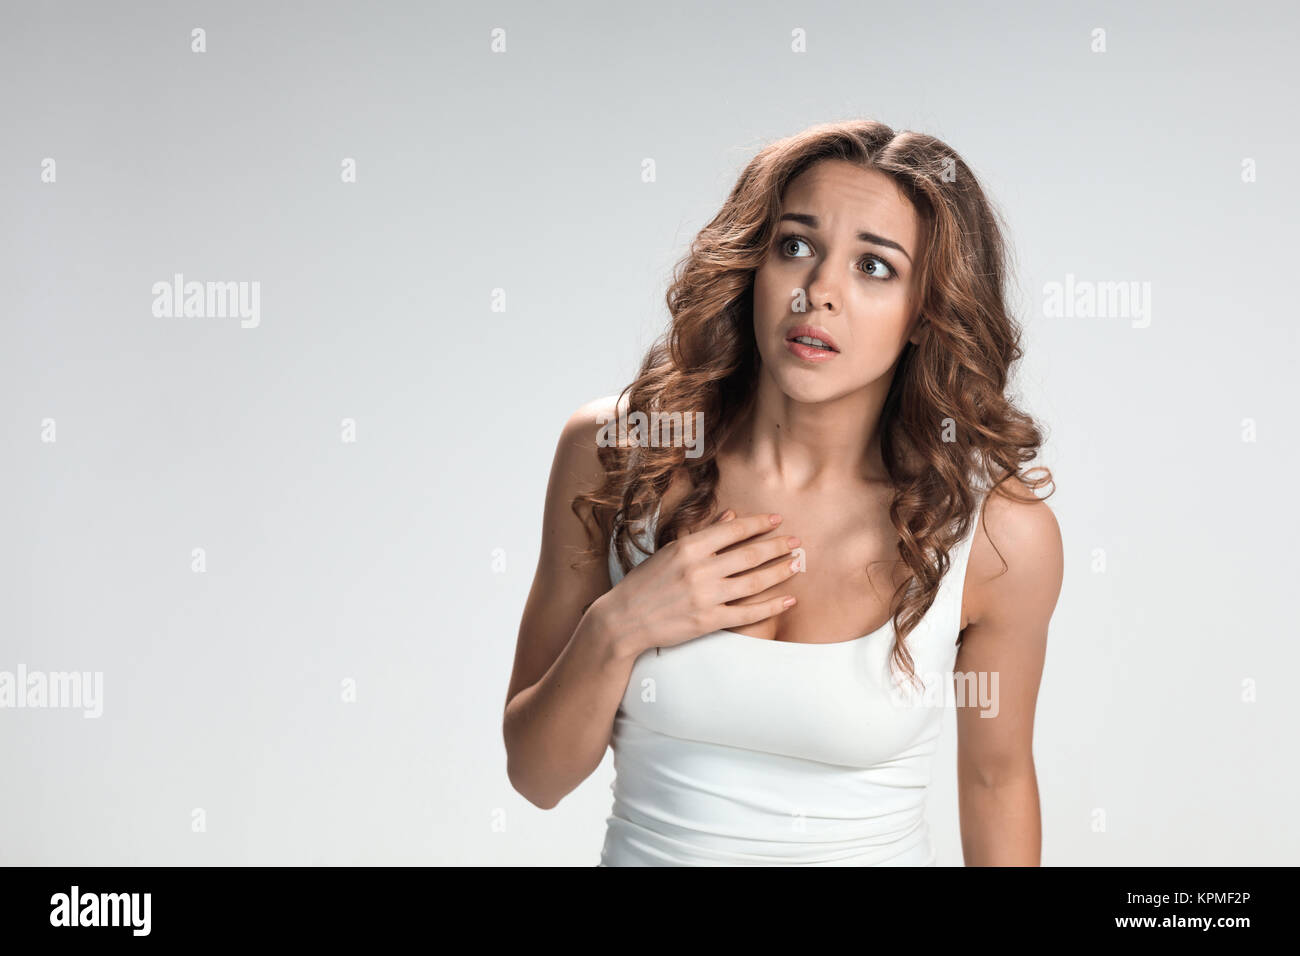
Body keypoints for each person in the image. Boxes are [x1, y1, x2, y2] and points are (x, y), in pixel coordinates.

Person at [503, 119, 1064, 865]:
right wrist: (621, 624)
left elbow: (997, 784)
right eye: (795, 246)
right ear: (751, 265)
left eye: (874, 268)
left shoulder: (995, 536)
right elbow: (536, 775)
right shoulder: (616, 455)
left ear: (926, 315)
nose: (819, 293)